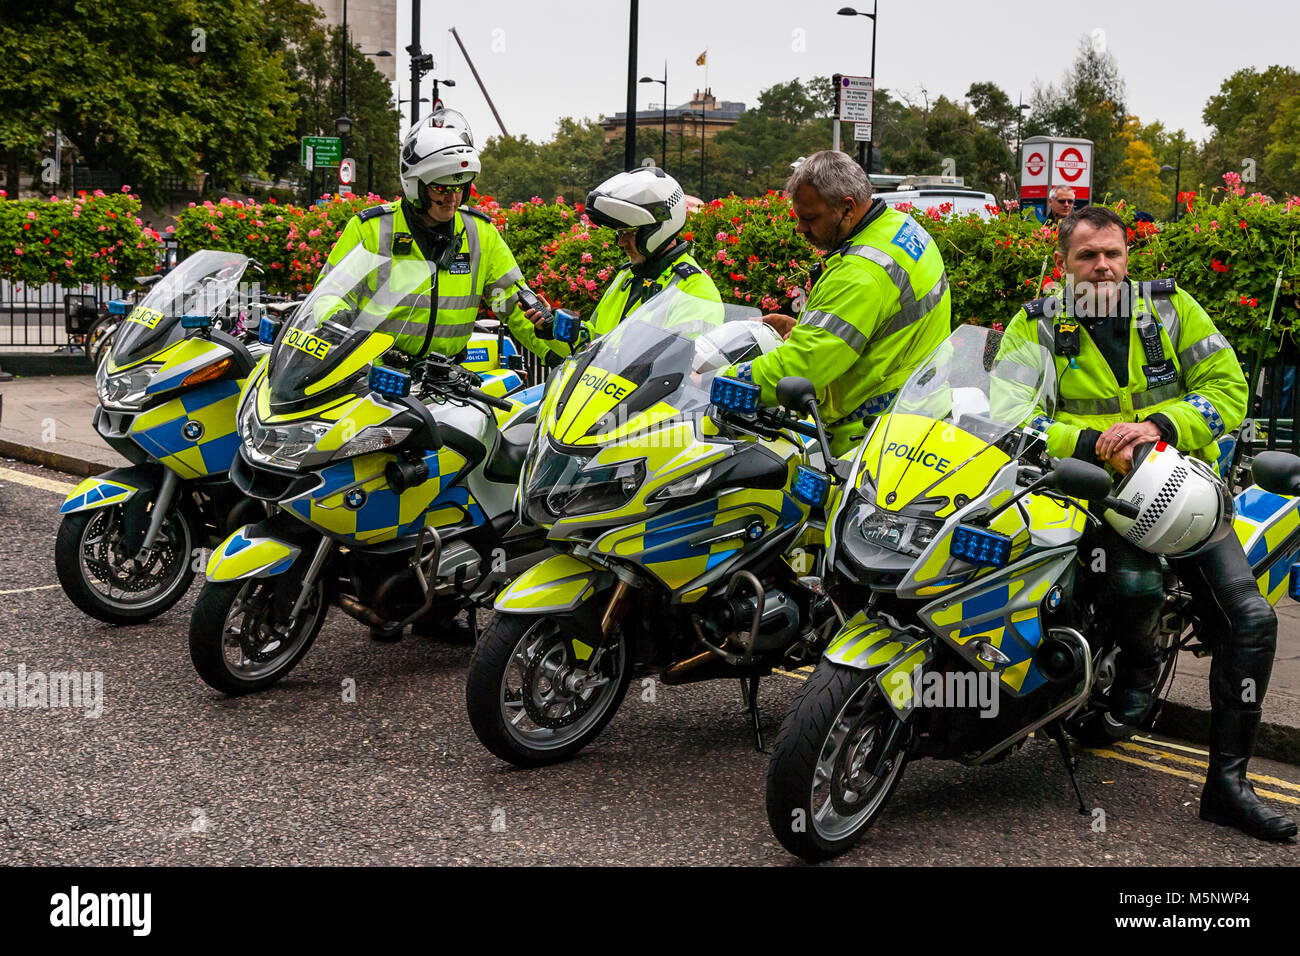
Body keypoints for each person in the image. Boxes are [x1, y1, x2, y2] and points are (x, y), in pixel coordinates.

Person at [1002, 204, 1296, 842]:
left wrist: (1159, 429)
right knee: (1130, 586)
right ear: (1064, 266)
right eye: (1087, 256)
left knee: (1251, 620)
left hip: (1186, 496)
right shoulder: (1036, 328)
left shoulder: (1171, 309)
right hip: (1089, 497)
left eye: (1112, 253)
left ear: (1128, 257)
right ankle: (1133, 672)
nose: (1102, 266)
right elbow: (1010, 416)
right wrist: (1090, 441)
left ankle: (1228, 787)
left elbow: (1227, 389)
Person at [722, 150, 951, 457]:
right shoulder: (899, 228)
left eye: (810, 218)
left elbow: (802, 367)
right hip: (920, 416)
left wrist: (720, 383)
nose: (800, 229)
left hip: (874, 442)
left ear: (847, 208)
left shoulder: (861, 273)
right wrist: (806, 327)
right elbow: (881, 324)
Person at [323, 109, 557, 366]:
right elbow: (329, 295)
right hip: (373, 375)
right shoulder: (370, 228)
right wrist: (340, 324)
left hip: (444, 381)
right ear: (416, 185)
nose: (452, 198)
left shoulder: (481, 234)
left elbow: (512, 306)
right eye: (441, 188)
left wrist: (552, 343)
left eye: (459, 188)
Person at [525, 167, 720, 349]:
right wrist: (553, 328)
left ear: (656, 227)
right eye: (619, 232)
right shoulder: (628, 276)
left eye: (627, 232)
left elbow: (682, 365)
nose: (621, 242)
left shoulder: (695, 289)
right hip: (602, 384)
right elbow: (595, 344)